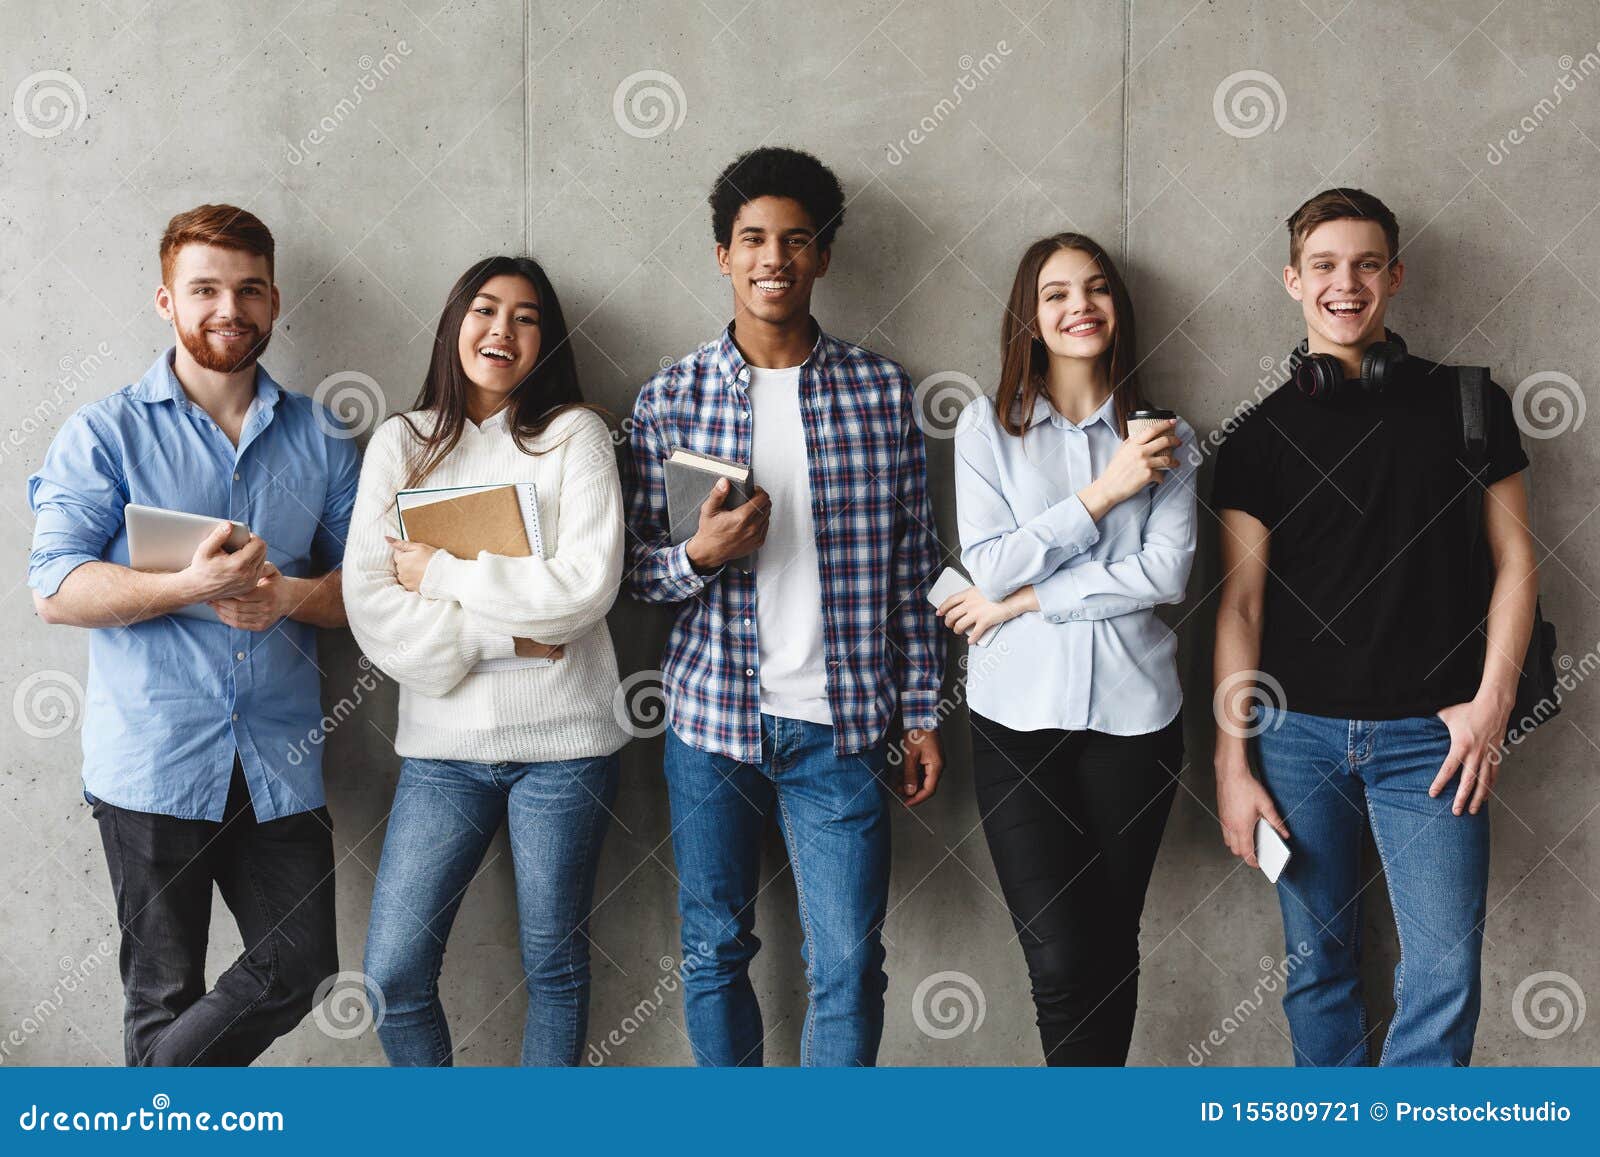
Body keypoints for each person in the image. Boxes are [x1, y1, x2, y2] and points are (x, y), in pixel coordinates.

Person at [623, 146, 946, 1067]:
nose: (775, 258)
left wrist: (921, 712)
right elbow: (633, 577)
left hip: (842, 727)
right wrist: (699, 555)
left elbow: (913, 566)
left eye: (796, 240)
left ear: (823, 256)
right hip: (710, 723)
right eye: (753, 239)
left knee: (848, 962)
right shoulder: (669, 398)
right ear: (723, 255)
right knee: (714, 949)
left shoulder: (880, 391)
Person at [1211, 188, 1537, 1066]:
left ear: (1394, 277)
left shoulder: (1469, 404)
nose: (1344, 284)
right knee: (1318, 966)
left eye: (1364, 265)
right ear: (1292, 280)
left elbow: (1517, 564)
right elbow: (1240, 607)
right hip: (1294, 740)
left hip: (1434, 740)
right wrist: (1230, 758)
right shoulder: (1256, 440)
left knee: (1442, 968)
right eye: (1323, 265)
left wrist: (1491, 703)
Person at [26, 204, 355, 1065]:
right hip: (152, 758)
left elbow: (370, 590)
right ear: (166, 300)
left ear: (275, 300)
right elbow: (54, 587)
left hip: (281, 761)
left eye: (248, 289)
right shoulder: (104, 432)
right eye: (204, 288)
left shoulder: (323, 437)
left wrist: (288, 595)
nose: (228, 308)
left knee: (302, 966)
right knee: (161, 994)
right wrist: (190, 585)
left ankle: (146, 1102)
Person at [344, 256, 628, 1066]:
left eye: (527, 316)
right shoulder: (401, 442)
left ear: (546, 338)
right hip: (444, 753)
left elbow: (583, 588)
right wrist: (505, 636)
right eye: (485, 309)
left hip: (566, 748)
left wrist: (440, 574)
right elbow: (374, 611)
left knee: (555, 969)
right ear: (454, 322)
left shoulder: (576, 434)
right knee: (394, 974)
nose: (502, 330)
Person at [938, 233, 1197, 1065]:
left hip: (1138, 721)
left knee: (1111, 941)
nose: (1078, 306)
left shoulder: (1169, 435)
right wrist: (1107, 491)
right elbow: (987, 561)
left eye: (1095, 289)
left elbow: (1166, 574)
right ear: (1031, 315)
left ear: (1118, 308)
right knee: (1058, 955)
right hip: (1016, 722)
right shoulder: (986, 426)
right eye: (1056, 293)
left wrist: (1026, 601)